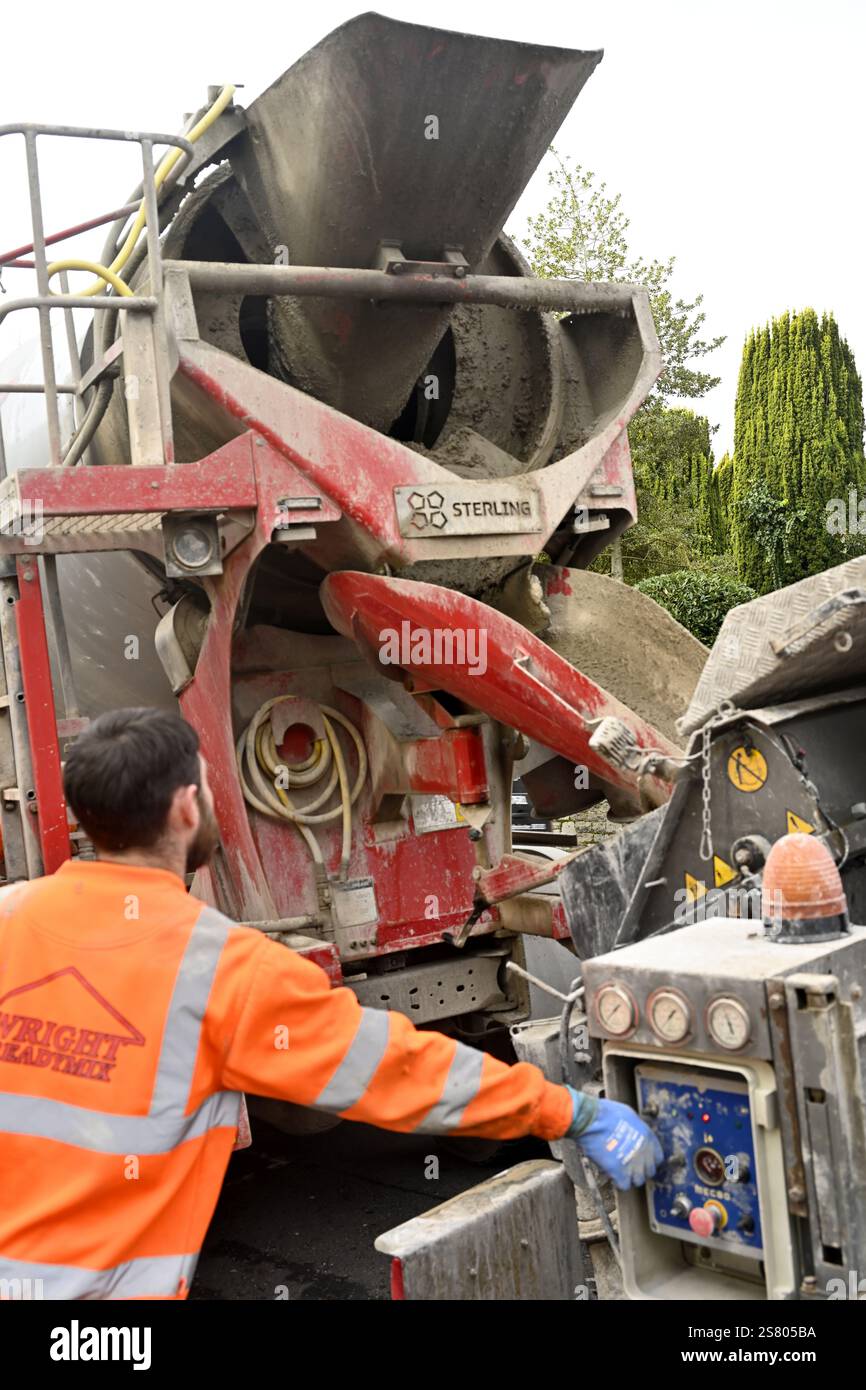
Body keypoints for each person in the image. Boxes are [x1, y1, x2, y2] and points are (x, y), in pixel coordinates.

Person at [0, 707, 660, 1300]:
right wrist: (569, 1111)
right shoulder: (218, 968)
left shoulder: (9, 916)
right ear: (183, 809)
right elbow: (398, 1070)